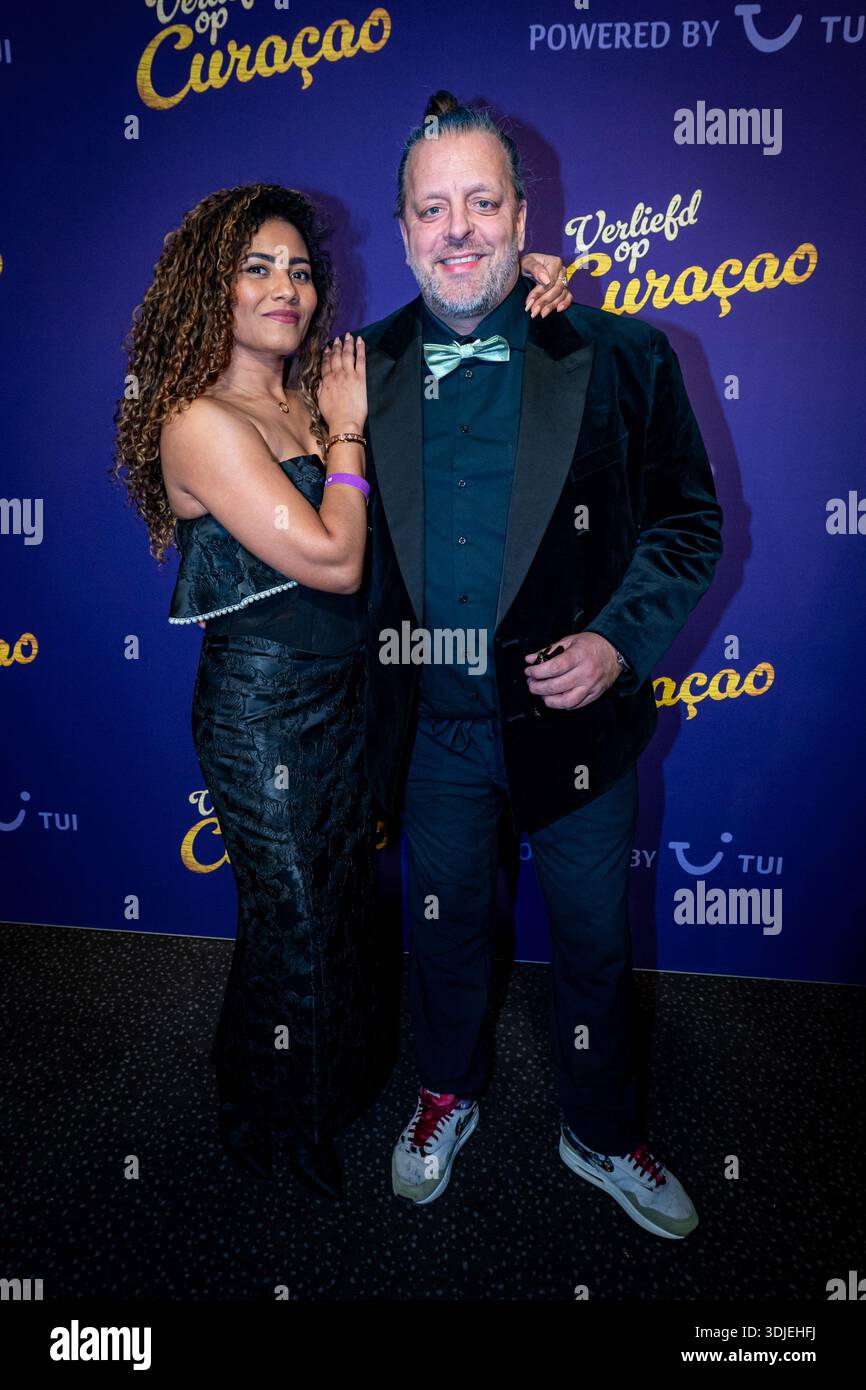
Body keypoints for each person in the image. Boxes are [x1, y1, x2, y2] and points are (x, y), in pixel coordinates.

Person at [112, 181, 573, 1199]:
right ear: (210, 287)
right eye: (257, 267)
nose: (287, 287)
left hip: (349, 703)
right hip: (260, 711)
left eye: (300, 269)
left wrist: (530, 300)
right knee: (292, 921)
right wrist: (351, 430)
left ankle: (324, 1081)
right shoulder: (199, 419)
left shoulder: (311, 387)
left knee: (339, 912)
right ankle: (270, 1116)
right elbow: (331, 558)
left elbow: (458, 364)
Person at [360, 93, 724, 1237]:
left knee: (594, 943)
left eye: (481, 202)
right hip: (431, 731)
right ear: (404, 225)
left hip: (574, 729)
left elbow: (688, 521)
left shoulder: (619, 353)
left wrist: (619, 637)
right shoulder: (352, 371)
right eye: (433, 208)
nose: (457, 228)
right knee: (442, 926)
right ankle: (443, 1093)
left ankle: (602, 1130)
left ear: (523, 215)